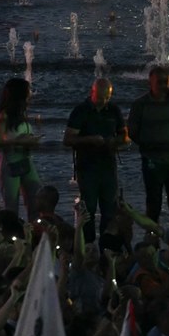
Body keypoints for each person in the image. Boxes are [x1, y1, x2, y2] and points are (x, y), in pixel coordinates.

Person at [63, 77, 128, 247]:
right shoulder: (81, 111)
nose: (103, 101)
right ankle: (88, 244)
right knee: (89, 207)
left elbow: (125, 136)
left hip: (108, 164)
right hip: (87, 166)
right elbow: (68, 139)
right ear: (92, 92)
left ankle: (107, 246)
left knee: (109, 208)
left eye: (107, 97)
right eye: (100, 97)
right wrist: (90, 140)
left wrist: (115, 142)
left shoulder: (113, 110)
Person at [127, 63, 169, 226]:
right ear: (150, 82)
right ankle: (152, 242)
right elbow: (132, 131)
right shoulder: (140, 104)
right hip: (152, 161)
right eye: (158, 81)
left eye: (165, 81)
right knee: (153, 205)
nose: (162, 85)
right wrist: (148, 143)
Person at [0, 77, 40, 217]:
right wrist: (19, 141)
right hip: (9, 164)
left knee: (35, 197)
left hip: (26, 161)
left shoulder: (22, 113)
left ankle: (34, 233)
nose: (31, 93)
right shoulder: (5, 115)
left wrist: (32, 141)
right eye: (28, 90)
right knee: (11, 206)